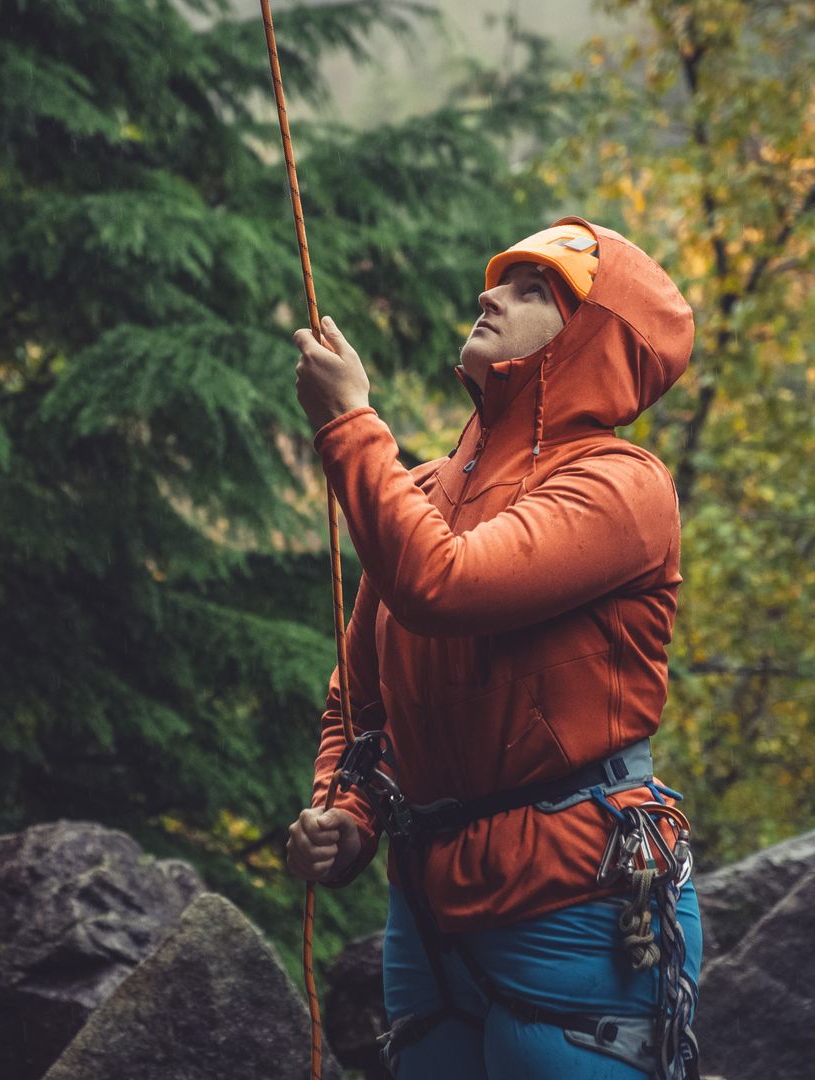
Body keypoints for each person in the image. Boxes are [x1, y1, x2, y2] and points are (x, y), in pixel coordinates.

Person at [284, 217, 703, 1079]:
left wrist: (352, 425)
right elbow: (360, 705)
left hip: (578, 904)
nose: (491, 295)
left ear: (593, 338)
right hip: (428, 919)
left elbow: (447, 585)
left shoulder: (622, 488)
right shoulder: (423, 494)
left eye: (532, 289)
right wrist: (349, 816)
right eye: (500, 279)